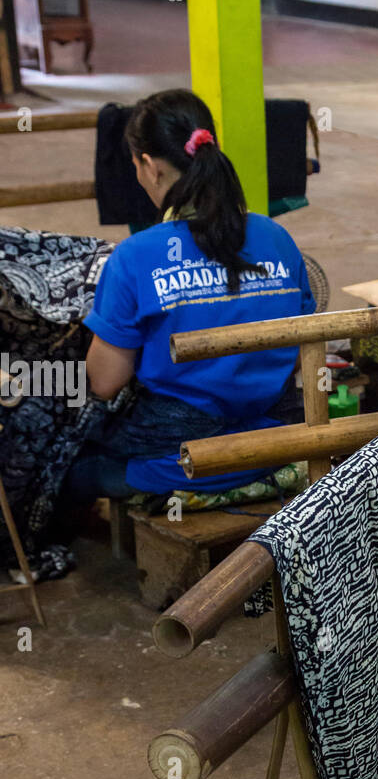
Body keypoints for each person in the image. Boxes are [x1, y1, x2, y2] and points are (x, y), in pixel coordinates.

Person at [61, 89, 315, 504]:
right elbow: (304, 342)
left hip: (186, 460)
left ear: (149, 166)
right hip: (273, 441)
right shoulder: (276, 237)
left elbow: (104, 384)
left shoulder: (134, 257)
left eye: (135, 165)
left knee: (72, 462)